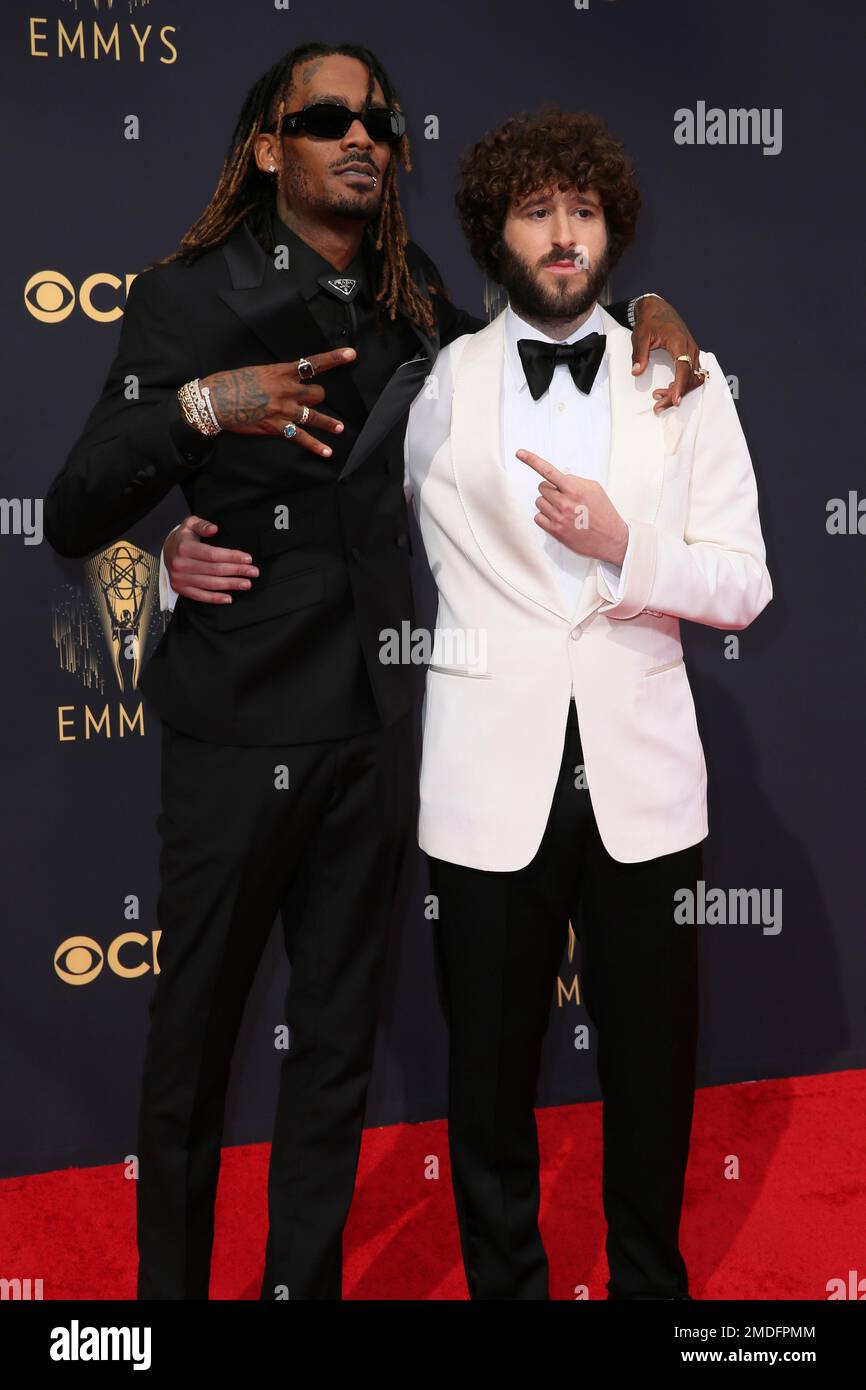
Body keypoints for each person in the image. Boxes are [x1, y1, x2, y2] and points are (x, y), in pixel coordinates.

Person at [45, 38, 706, 1301]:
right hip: (236, 728)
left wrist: (658, 316)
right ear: (267, 146)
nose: (359, 136)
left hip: (376, 734)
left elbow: (546, 328)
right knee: (191, 1046)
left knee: (332, 1052)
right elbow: (73, 508)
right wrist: (197, 415)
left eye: (378, 122)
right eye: (327, 117)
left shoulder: (413, 314)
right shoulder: (183, 297)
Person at [399, 107, 773, 1300]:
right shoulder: (439, 385)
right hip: (482, 782)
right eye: (535, 210)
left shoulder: (682, 381)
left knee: (651, 1077)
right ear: (492, 230)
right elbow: (349, 534)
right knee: (486, 1079)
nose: (562, 236)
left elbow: (744, 583)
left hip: (641, 786)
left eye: (584, 211)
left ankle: (646, 1289)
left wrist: (628, 549)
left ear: (611, 230)